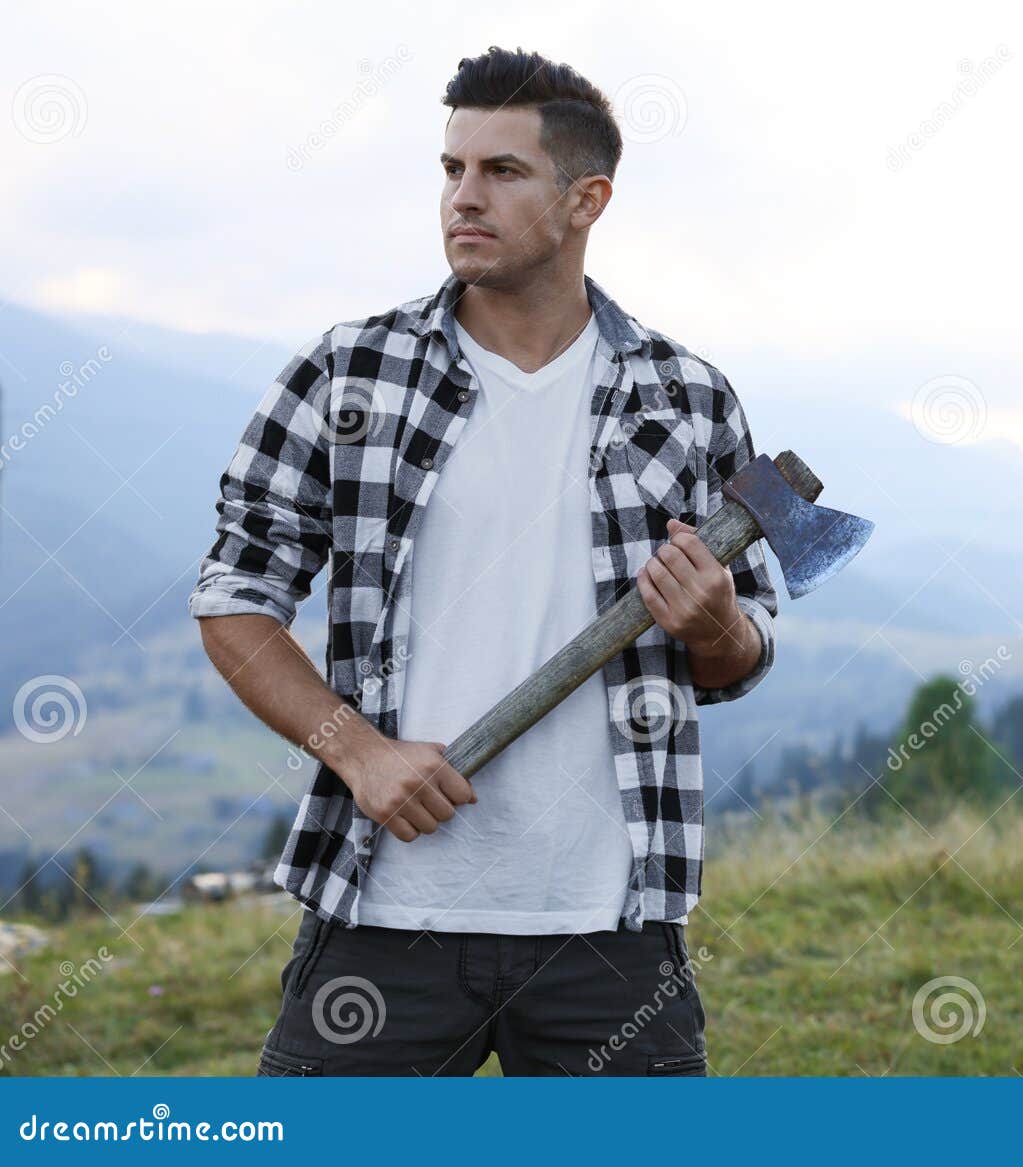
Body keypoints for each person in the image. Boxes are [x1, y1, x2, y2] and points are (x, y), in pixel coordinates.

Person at [188, 46, 778, 1076]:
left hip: (613, 927)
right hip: (381, 913)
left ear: (586, 198)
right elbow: (233, 598)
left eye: (501, 172)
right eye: (452, 169)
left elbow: (744, 654)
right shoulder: (348, 372)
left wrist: (716, 625)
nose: (464, 197)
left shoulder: (687, 397)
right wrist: (358, 750)